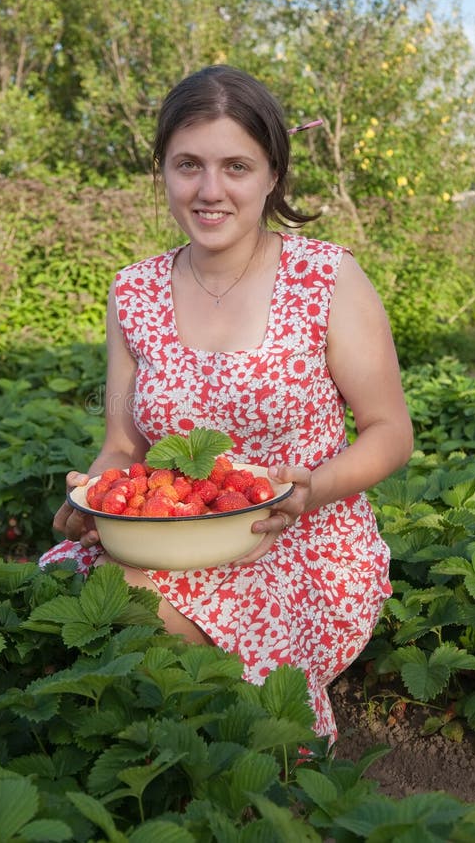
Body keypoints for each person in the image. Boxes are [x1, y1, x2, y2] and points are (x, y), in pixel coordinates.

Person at [40, 65, 414, 742]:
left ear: (272, 173)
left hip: (301, 541)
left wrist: (311, 488)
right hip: (171, 533)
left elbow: (390, 432)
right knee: (70, 594)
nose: (209, 191)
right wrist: (95, 494)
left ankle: (247, 771)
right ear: (162, 170)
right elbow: (123, 442)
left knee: (131, 608)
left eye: (235, 166)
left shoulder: (325, 278)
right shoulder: (134, 291)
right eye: (188, 165)